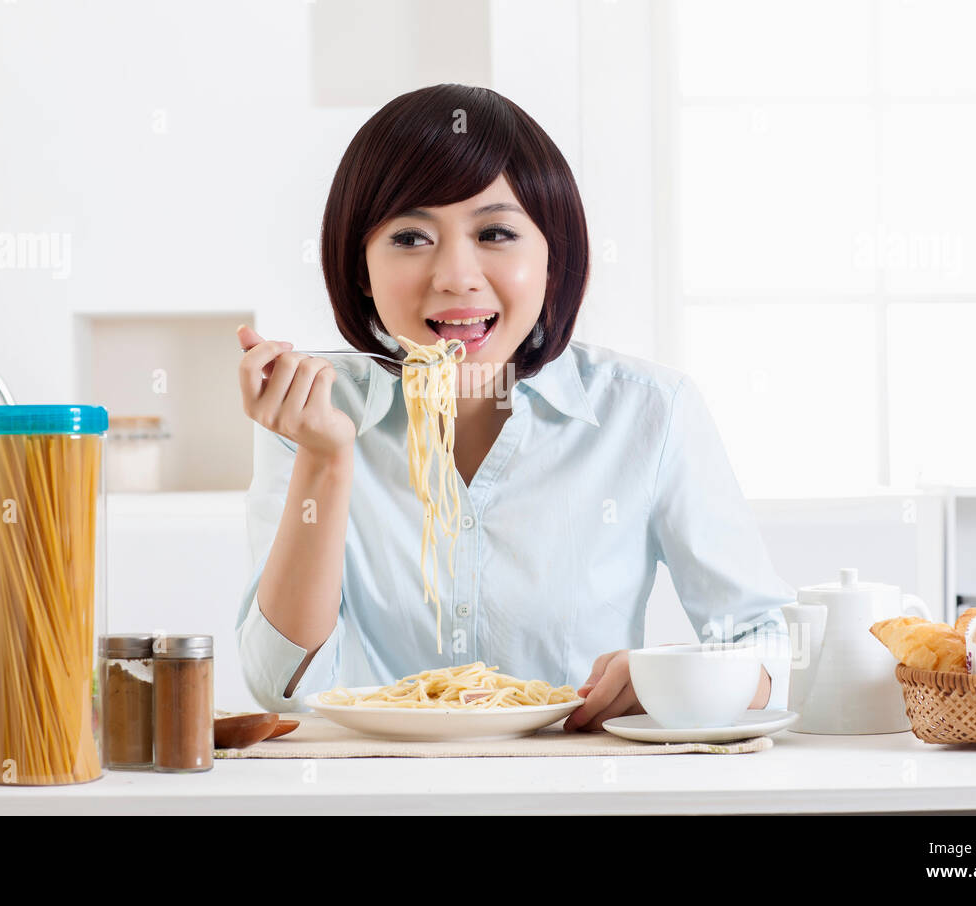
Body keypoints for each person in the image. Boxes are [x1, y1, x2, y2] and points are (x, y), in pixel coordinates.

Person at [236, 83, 793, 731]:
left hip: (580, 793)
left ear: (551, 258)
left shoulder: (650, 412)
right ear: (361, 268)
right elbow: (279, 686)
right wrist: (325, 458)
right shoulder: (312, 410)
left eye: (496, 232)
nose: (456, 275)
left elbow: (772, 645)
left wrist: (676, 676)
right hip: (379, 791)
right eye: (411, 237)